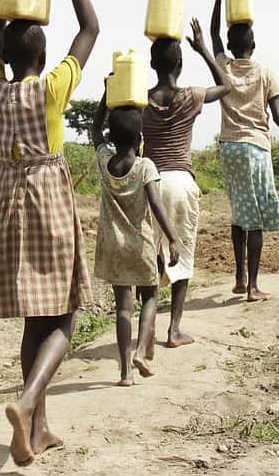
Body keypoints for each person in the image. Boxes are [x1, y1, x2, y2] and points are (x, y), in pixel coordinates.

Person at [0, 0, 99, 466]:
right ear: (44, 53)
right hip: (47, 197)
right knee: (65, 317)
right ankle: (28, 401)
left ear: (4, 55)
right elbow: (91, 27)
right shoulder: (52, 88)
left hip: (7, 199)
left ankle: (35, 429)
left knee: (36, 319)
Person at [210, 0, 279, 302]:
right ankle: (252, 287)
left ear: (231, 46)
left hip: (229, 148)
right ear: (254, 45)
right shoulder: (266, 73)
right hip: (255, 149)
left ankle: (238, 277)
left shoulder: (224, 67)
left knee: (239, 213)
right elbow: (278, 117)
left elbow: (212, 37)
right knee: (256, 222)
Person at [141, 18, 229, 349]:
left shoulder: (142, 100)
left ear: (151, 64)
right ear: (180, 63)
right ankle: (174, 330)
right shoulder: (190, 96)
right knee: (184, 254)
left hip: (149, 182)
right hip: (180, 181)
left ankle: (146, 328)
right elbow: (226, 87)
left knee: (151, 256)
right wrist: (203, 47)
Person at [91, 95, 181, 386]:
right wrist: (173, 239)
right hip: (141, 244)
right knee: (151, 295)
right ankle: (141, 351)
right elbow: (156, 205)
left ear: (112, 138)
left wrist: (107, 97)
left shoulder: (105, 162)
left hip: (113, 247)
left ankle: (125, 373)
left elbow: (94, 131)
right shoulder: (145, 167)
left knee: (123, 308)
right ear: (141, 138)